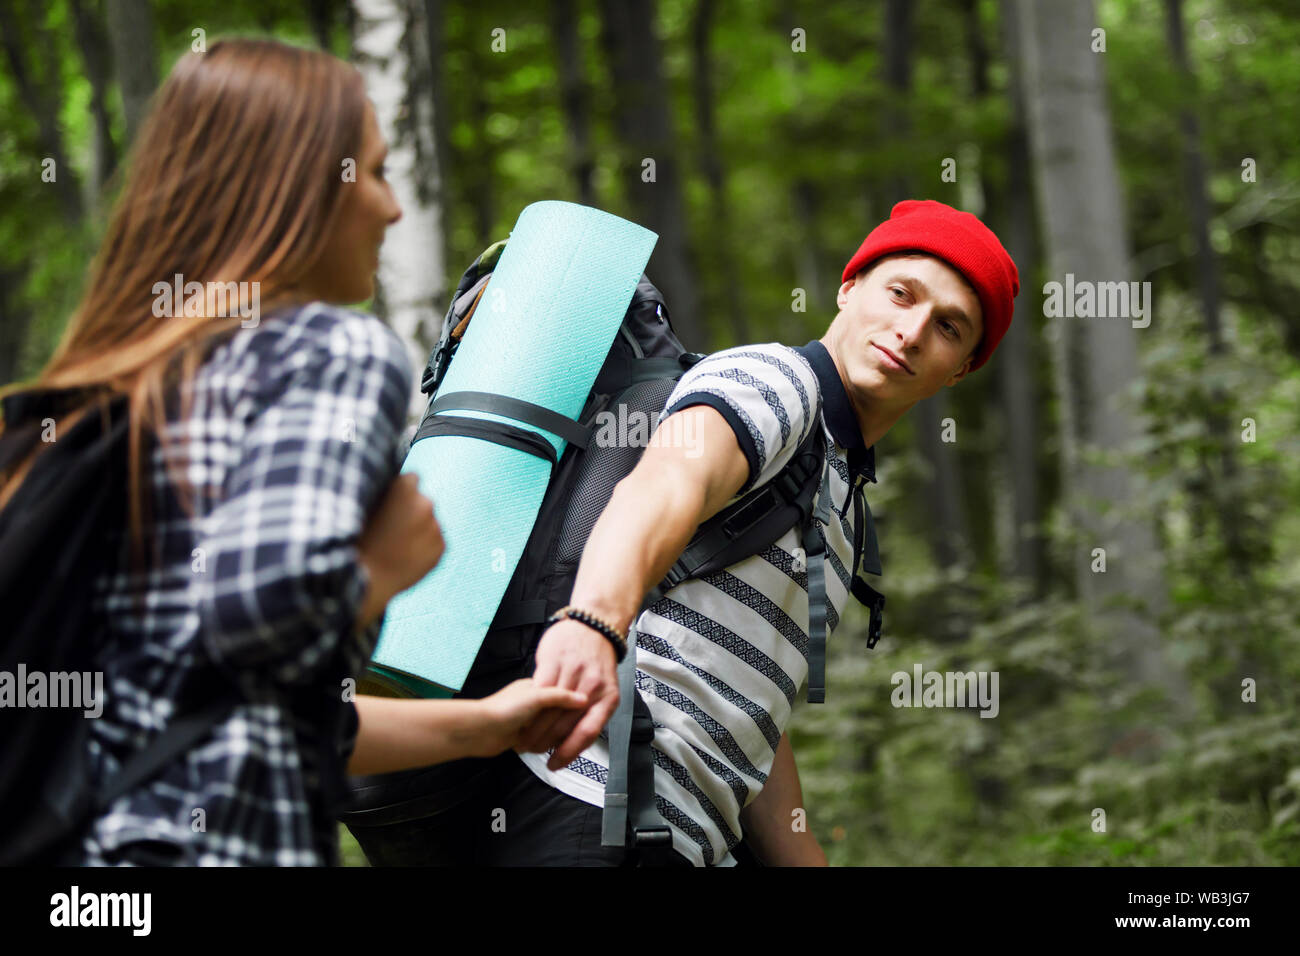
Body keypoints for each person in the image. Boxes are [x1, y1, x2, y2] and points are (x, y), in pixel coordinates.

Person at [0, 37, 584, 867]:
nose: (392, 209)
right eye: (375, 175)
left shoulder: (105, 396)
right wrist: (380, 568)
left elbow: (218, 694)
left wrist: (483, 725)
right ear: (304, 189)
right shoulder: (323, 350)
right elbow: (256, 616)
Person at [487, 199, 1020, 866]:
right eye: (900, 293)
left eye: (947, 326)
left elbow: (746, 710)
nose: (910, 331)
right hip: (592, 800)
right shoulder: (775, 382)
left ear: (963, 367)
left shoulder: (842, 498)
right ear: (849, 288)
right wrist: (592, 621)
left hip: (672, 836)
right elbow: (664, 484)